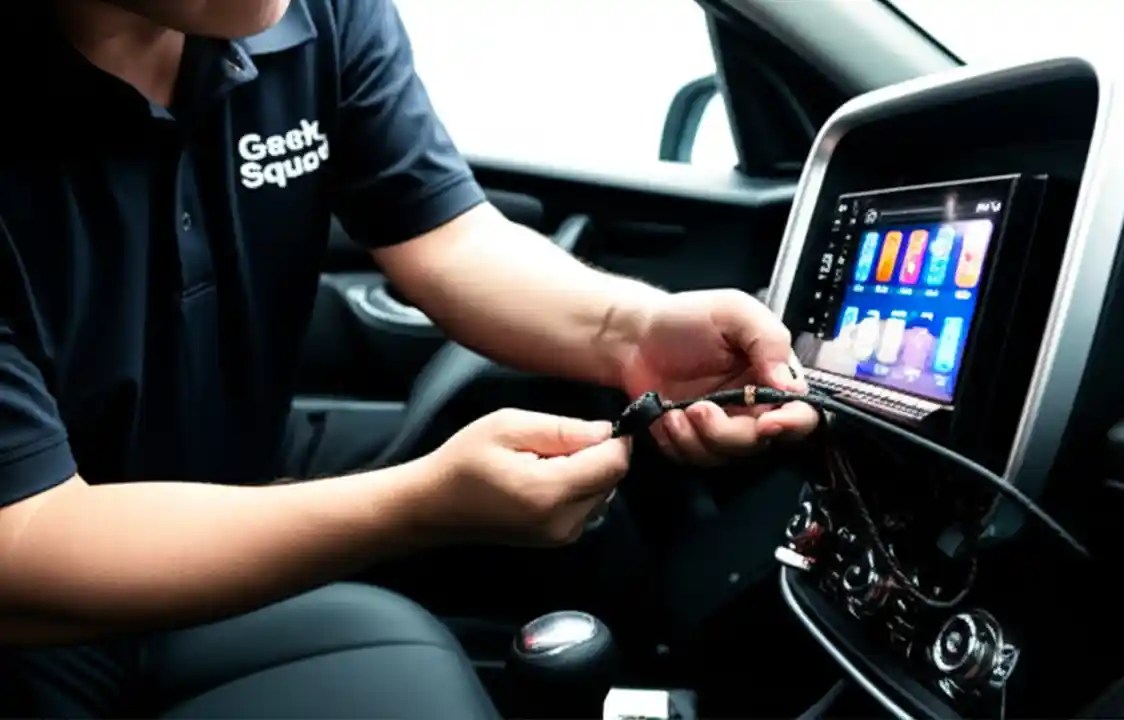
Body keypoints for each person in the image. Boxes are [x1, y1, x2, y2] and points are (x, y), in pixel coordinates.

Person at [0, 0, 819, 716]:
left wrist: (633, 330)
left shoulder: (315, 15)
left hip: (235, 473)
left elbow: (445, 238)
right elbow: (25, 539)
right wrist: (418, 505)